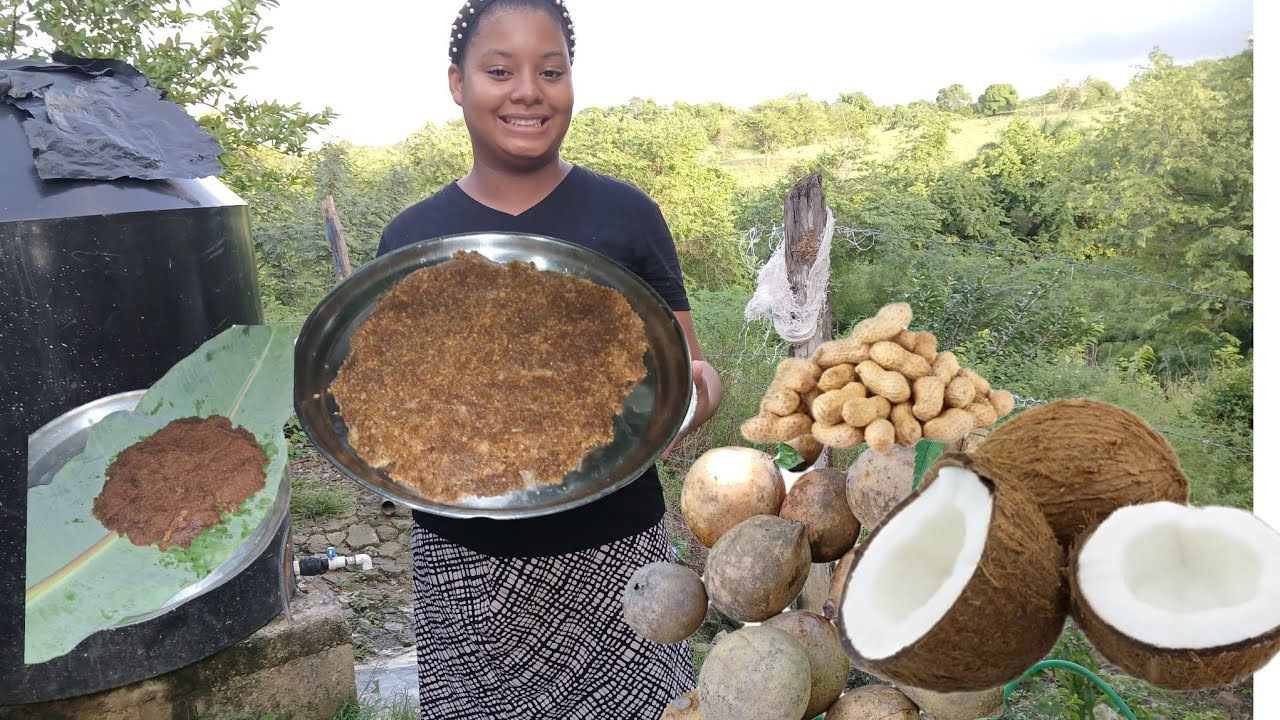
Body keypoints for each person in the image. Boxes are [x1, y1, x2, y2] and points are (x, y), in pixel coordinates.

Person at [375, 1, 724, 717]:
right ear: (457, 82)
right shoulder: (413, 238)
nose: (528, 90)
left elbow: (682, 372)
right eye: (499, 70)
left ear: (571, 82)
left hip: (617, 550)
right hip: (465, 564)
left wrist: (695, 398)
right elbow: (389, 405)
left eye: (551, 70)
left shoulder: (626, 216)